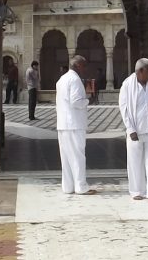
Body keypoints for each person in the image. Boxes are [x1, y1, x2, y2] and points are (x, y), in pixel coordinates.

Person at [118, 58, 148, 204]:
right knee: (135, 162)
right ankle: (136, 191)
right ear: (140, 71)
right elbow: (124, 109)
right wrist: (130, 129)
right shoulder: (127, 84)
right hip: (136, 130)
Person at [56, 55, 96, 195]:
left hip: (63, 124)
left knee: (66, 158)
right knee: (78, 156)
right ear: (78, 65)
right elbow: (76, 102)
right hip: (74, 124)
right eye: (84, 66)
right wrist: (88, 100)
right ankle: (81, 186)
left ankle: (68, 187)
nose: (85, 69)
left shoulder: (62, 79)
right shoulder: (75, 79)